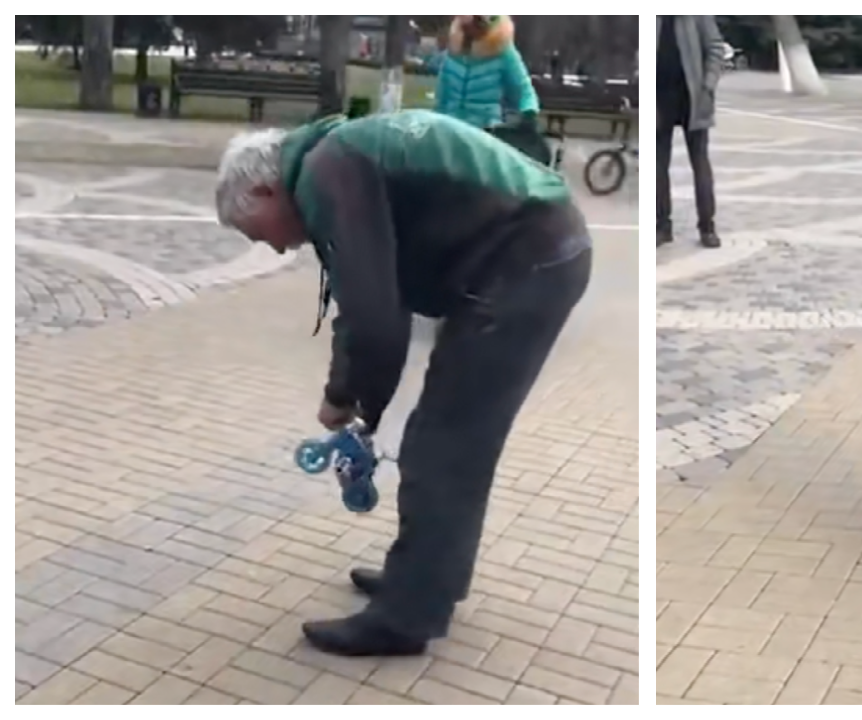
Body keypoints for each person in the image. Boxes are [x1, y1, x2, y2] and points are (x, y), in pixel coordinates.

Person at [214, 109, 592, 656]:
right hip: (530, 256)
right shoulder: (332, 160)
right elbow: (361, 296)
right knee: (447, 441)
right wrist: (354, 391)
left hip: (529, 262)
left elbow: (375, 316)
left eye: (258, 232)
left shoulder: (329, 172)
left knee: (443, 446)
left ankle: (407, 616)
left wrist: (346, 400)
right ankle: (427, 581)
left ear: (268, 189)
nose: (274, 248)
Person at [656, 15, 724, 249]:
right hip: (659, 100)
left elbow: (716, 48)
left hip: (694, 99)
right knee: (657, 166)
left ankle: (707, 226)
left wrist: (708, 85)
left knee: (700, 163)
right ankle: (661, 226)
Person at [434, 15, 538, 131]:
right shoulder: (453, 50)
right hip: (451, 128)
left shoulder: (502, 49)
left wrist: (529, 114)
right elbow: (442, 96)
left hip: (486, 132)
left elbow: (524, 91)